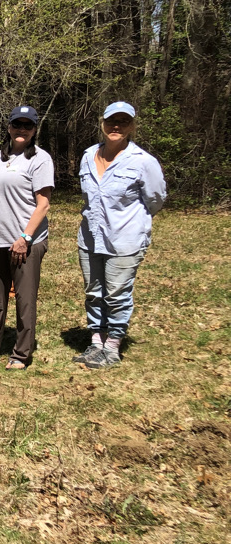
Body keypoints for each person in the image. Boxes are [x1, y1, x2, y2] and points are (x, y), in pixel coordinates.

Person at [74, 101, 166, 369]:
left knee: (116, 293)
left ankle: (112, 346)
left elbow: (156, 199)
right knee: (93, 291)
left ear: (132, 126)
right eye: (112, 121)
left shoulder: (143, 162)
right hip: (90, 238)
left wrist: (132, 222)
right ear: (102, 123)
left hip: (124, 240)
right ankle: (96, 342)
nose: (116, 126)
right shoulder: (88, 155)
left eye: (123, 122)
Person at [0, 105, 54, 369]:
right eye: (17, 124)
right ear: (8, 127)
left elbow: (43, 204)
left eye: (27, 125)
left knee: (24, 299)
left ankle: (21, 353)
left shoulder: (40, 159)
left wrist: (25, 238)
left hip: (25, 243)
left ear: (34, 130)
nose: (22, 130)